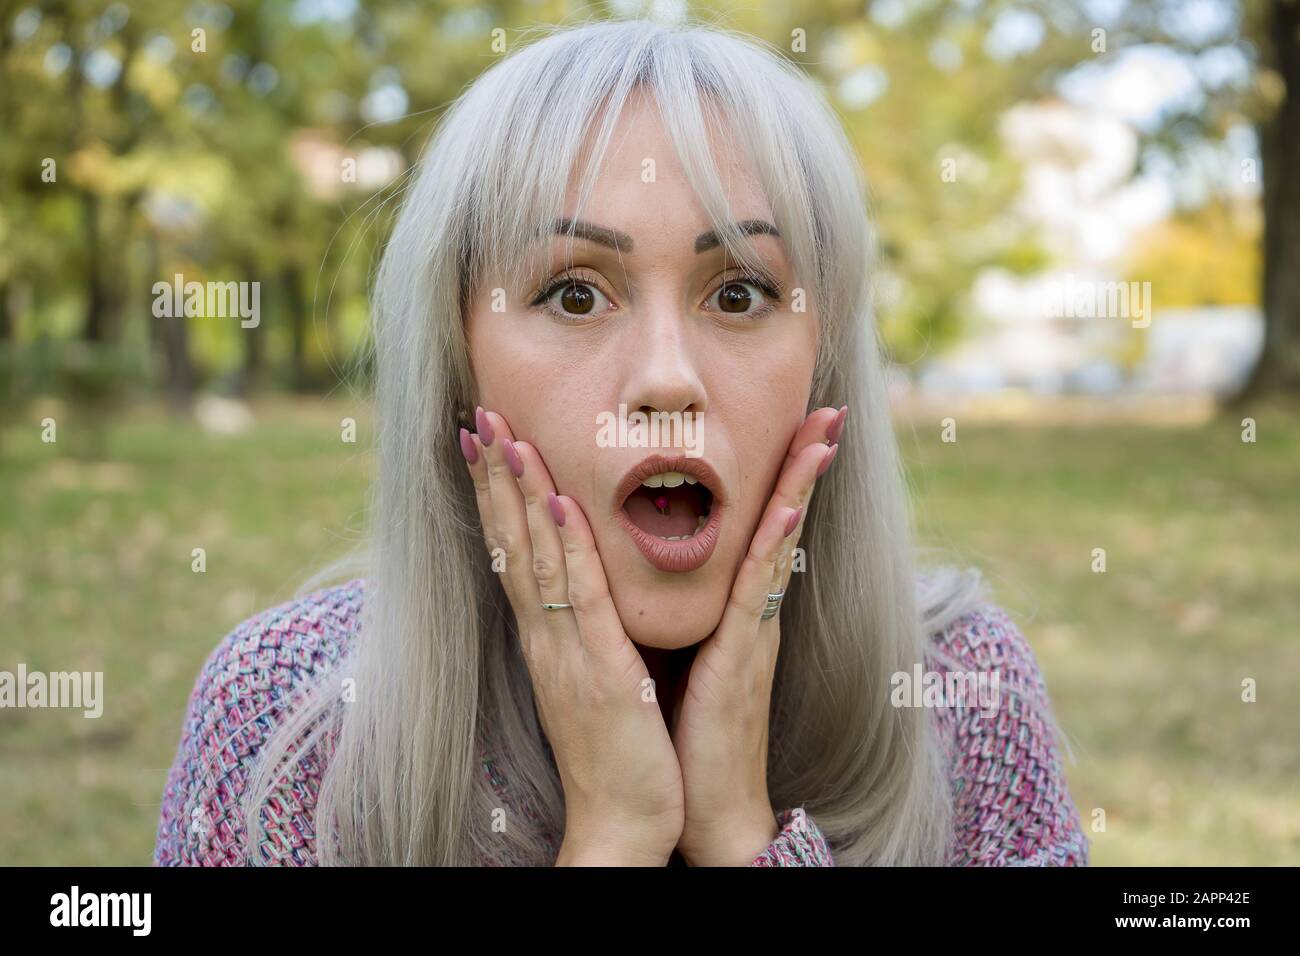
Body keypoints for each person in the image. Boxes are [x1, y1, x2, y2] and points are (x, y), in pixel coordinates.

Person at [155, 17, 1088, 867]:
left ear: (825, 357)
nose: (666, 380)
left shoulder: (961, 695)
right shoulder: (286, 723)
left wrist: (738, 837)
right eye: (573, 294)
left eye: (737, 293)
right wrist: (615, 834)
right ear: (458, 362)